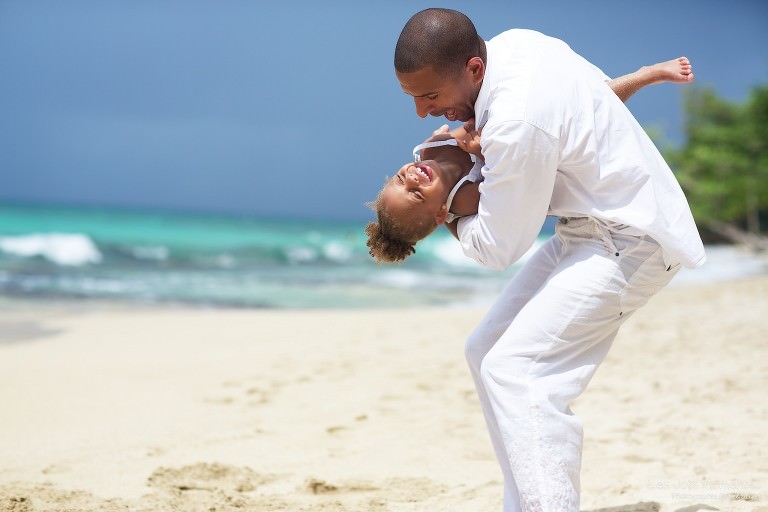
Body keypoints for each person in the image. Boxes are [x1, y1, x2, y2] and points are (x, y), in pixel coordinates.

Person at [386, 8, 706, 512]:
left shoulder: (516, 120)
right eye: (414, 98)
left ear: (473, 69)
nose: (423, 113)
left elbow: (499, 247)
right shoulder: (518, 42)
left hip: (631, 240)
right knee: (483, 349)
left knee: (519, 371)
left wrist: (445, 212)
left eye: (430, 96)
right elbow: (600, 97)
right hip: (587, 231)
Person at [365, 56, 695, 262]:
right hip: (546, 168)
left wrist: (462, 131)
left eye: (399, 179)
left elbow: (462, 129)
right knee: (584, 113)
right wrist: (479, 149)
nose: (412, 178)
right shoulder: (465, 200)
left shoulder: (428, 150)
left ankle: (643, 73)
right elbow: (509, 176)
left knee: (588, 103)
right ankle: (646, 75)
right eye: (417, 193)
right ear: (441, 212)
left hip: (509, 137)